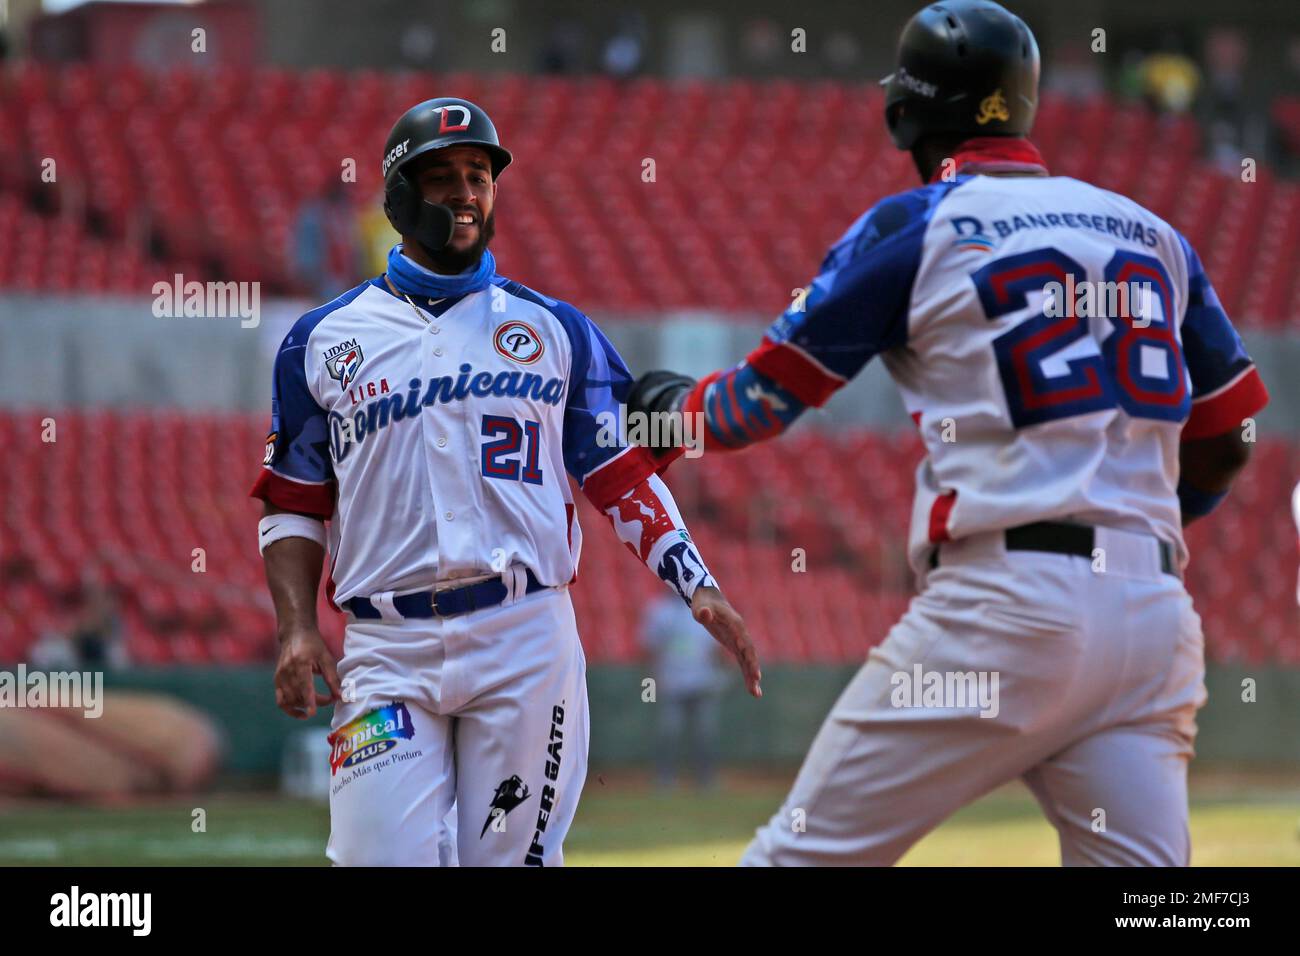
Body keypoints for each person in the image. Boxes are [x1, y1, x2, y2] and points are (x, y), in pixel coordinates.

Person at [627, 0, 1268, 866]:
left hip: (1008, 604)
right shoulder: (1154, 234)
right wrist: (1131, 525)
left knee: (797, 858)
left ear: (905, 113)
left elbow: (756, 408)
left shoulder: (916, 224)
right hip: (1154, 613)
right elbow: (1232, 438)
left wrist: (667, 414)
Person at [251, 97, 760, 867]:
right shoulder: (320, 340)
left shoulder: (556, 329)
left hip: (523, 639)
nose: (465, 192)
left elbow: (618, 472)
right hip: (385, 648)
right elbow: (292, 498)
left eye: (480, 175)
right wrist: (295, 627)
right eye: (442, 176)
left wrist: (697, 583)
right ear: (397, 197)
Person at [639, 591, 726, 789]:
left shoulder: (706, 609)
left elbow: (715, 649)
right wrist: (650, 679)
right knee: (669, 732)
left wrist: (718, 675)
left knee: (705, 733)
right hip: (672, 683)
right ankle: (665, 778)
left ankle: (706, 779)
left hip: (702, 682)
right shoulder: (660, 611)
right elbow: (650, 648)